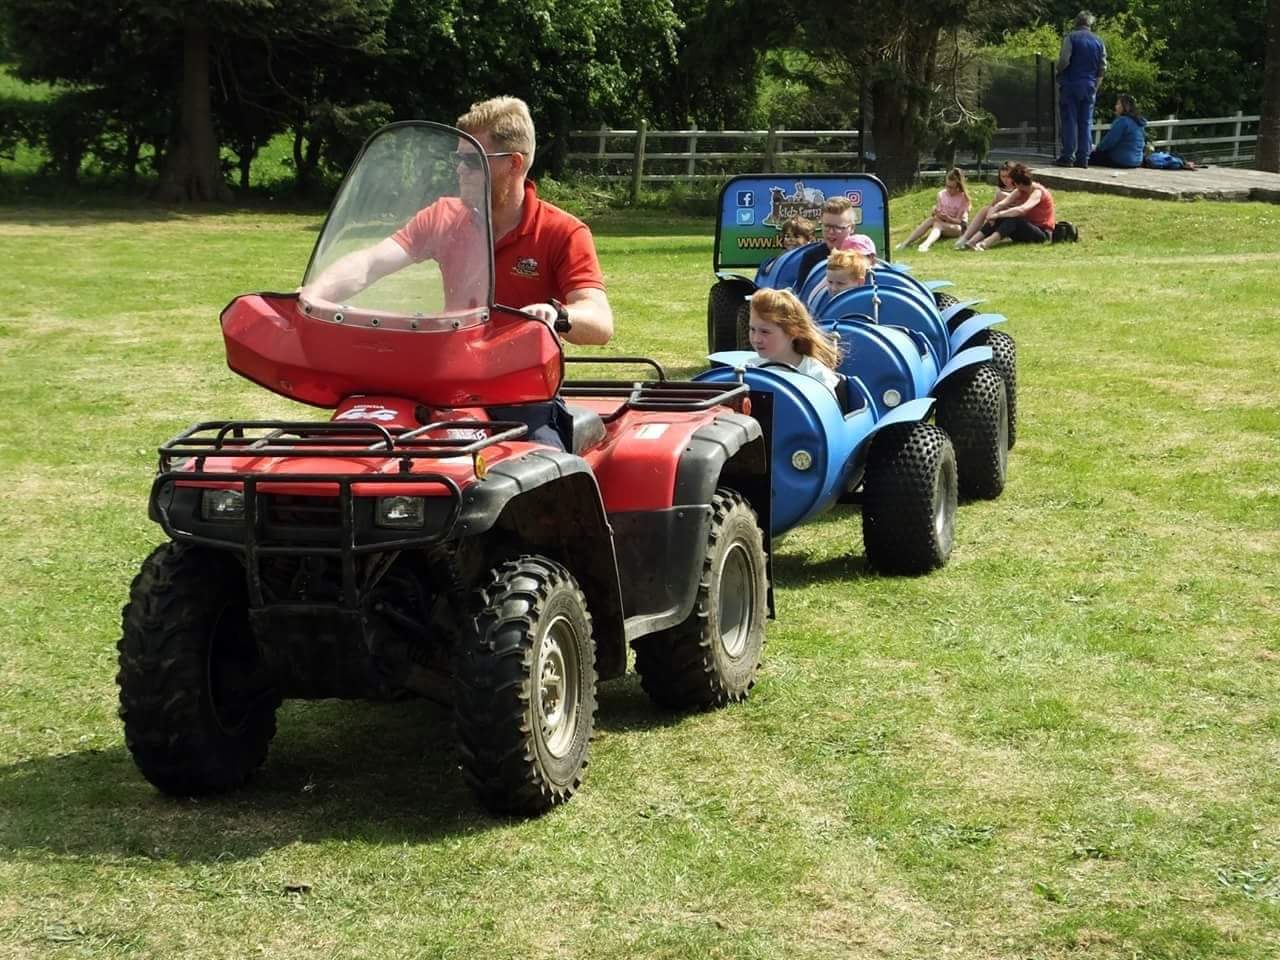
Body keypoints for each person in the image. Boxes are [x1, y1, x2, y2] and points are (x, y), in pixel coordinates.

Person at [300, 96, 614, 449]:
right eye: (457, 159)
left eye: (471, 160)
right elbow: (369, 263)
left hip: (521, 394)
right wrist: (312, 296)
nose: (459, 170)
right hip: (443, 383)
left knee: (541, 461)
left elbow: (600, 323)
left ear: (513, 163)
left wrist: (558, 314)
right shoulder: (444, 216)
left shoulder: (562, 232)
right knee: (356, 445)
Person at [746, 288, 842, 395]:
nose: (756, 339)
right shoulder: (751, 369)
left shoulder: (816, 376)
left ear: (793, 332)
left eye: (765, 332)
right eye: (752, 329)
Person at [1056, 11, 1108, 168]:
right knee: (1086, 122)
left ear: (1076, 23)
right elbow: (1102, 67)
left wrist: (1058, 72)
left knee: (1069, 120)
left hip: (1071, 84)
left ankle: (1067, 156)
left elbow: (1065, 60)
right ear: (1089, 24)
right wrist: (1096, 85)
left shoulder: (1071, 38)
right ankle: (1083, 158)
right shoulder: (1099, 42)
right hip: (1089, 85)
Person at [964, 162, 1055, 250]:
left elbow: (1021, 210)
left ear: (1017, 183)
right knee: (1001, 218)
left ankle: (984, 244)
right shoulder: (1020, 190)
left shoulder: (1037, 192)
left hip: (1042, 233)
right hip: (1026, 229)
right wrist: (991, 215)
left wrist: (998, 214)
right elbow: (1001, 204)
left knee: (1014, 219)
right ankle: (972, 241)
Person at [896, 168, 971, 252]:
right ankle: (905, 243)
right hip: (943, 222)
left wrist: (948, 218)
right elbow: (937, 214)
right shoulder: (941, 194)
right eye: (946, 186)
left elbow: (961, 222)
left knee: (939, 224)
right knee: (931, 220)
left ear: (958, 186)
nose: (948, 189)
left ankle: (925, 245)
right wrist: (936, 213)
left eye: (951, 187)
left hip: (957, 228)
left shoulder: (963, 198)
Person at [793, 197, 857, 291]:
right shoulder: (811, 257)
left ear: (851, 228)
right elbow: (801, 295)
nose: (831, 232)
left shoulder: (861, 255)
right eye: (827, 226)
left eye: (838, 227)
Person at [955, 162, 1016, 249]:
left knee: (989, 211)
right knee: (985, 209)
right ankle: (965, 238)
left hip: (1013, 218)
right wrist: (991, 213)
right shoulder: (1001, 188)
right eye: (1003, 177)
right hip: (1000, 215)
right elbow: (993, 204)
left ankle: (972, 239)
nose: (1005, 180)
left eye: (1008, 176)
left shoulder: (1018, 187)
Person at [1088, 94, 1147, 168]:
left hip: (1122, 160)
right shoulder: (1139, 122)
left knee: (1085, 156)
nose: (1115, 107)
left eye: (1118, 104)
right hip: (1137, 161)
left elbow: (1109, 142)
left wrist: (1097, 148)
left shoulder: (1122, 121)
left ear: (1125, 106)